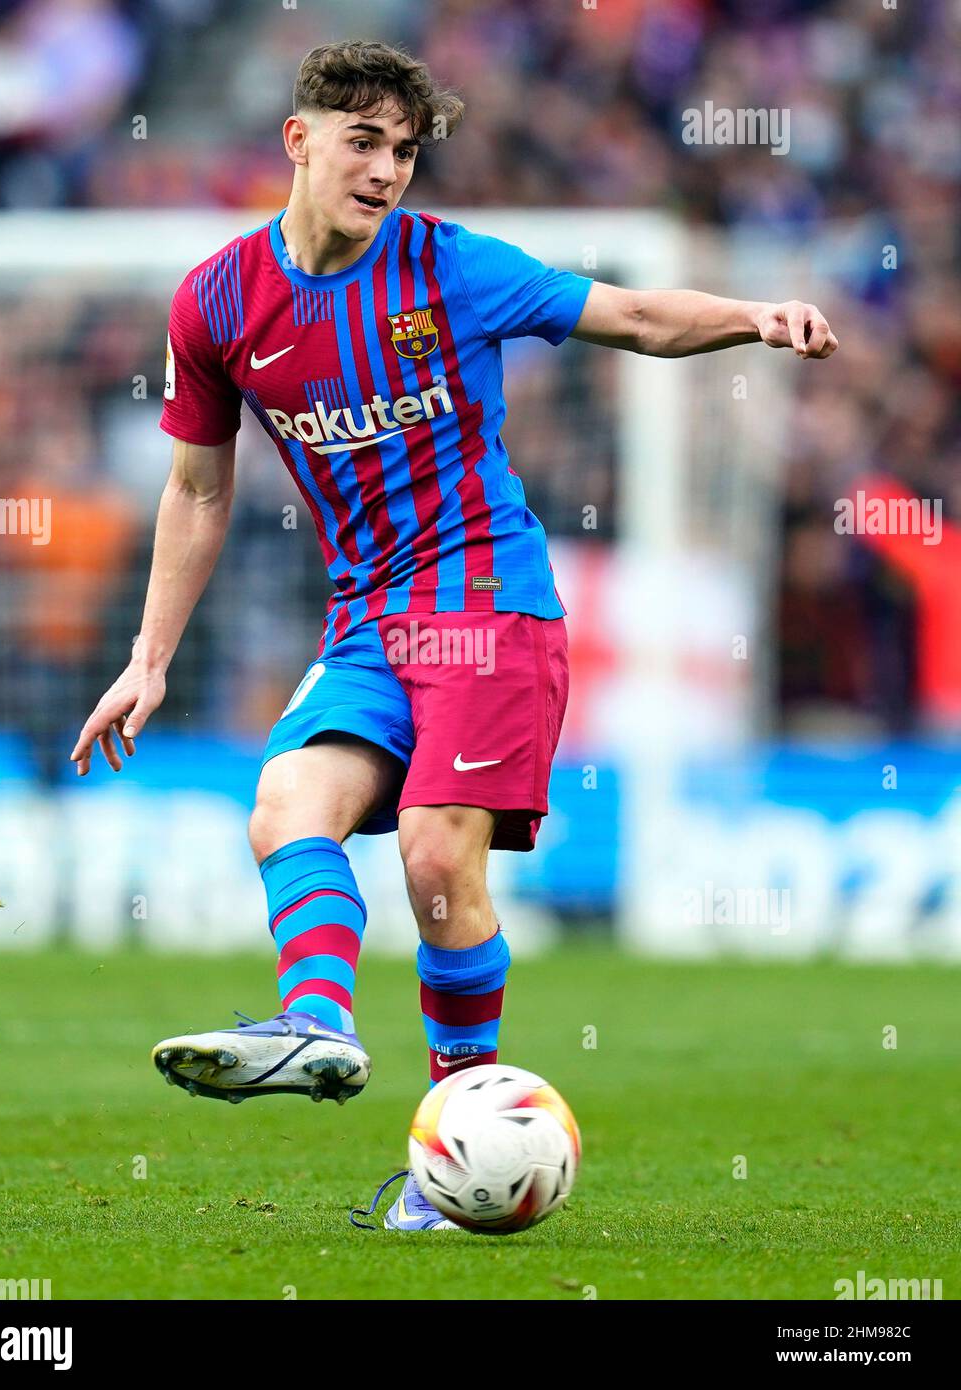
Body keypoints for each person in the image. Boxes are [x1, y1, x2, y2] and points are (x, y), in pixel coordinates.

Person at [70, 39, 837, 1231]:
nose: (385, 171)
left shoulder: (451, 268)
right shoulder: (215, 301)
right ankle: (316, 1026)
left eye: (404, 152)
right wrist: (149, 656)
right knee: (283, 806)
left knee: (434, 859)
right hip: (370, 618)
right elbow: (198, 491)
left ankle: (449, 1154)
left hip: (487, 604)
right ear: (300, 139)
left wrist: (753, 315)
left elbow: (632, 314)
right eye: (364, 142)